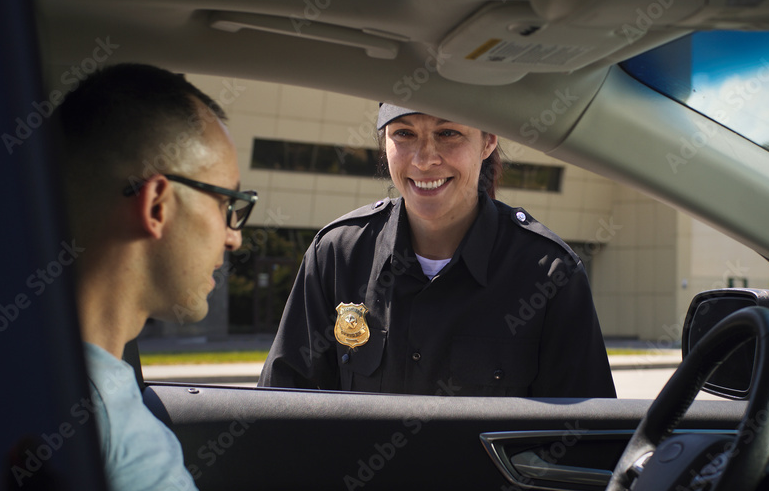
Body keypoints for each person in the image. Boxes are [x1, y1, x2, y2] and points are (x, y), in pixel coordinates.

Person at [258, 104, 615, 397]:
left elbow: (581, 443)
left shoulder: (549, 274)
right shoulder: (337, 255)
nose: (424, 159)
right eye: (404, 134)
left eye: (448, 133)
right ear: (384, 142)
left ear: (488, 141)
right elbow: (280, 407)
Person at [57, 63, 257, 491]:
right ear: (157, 205)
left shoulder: (95, 388)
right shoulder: (85, 417)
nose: (235, 239)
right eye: (226, 203)